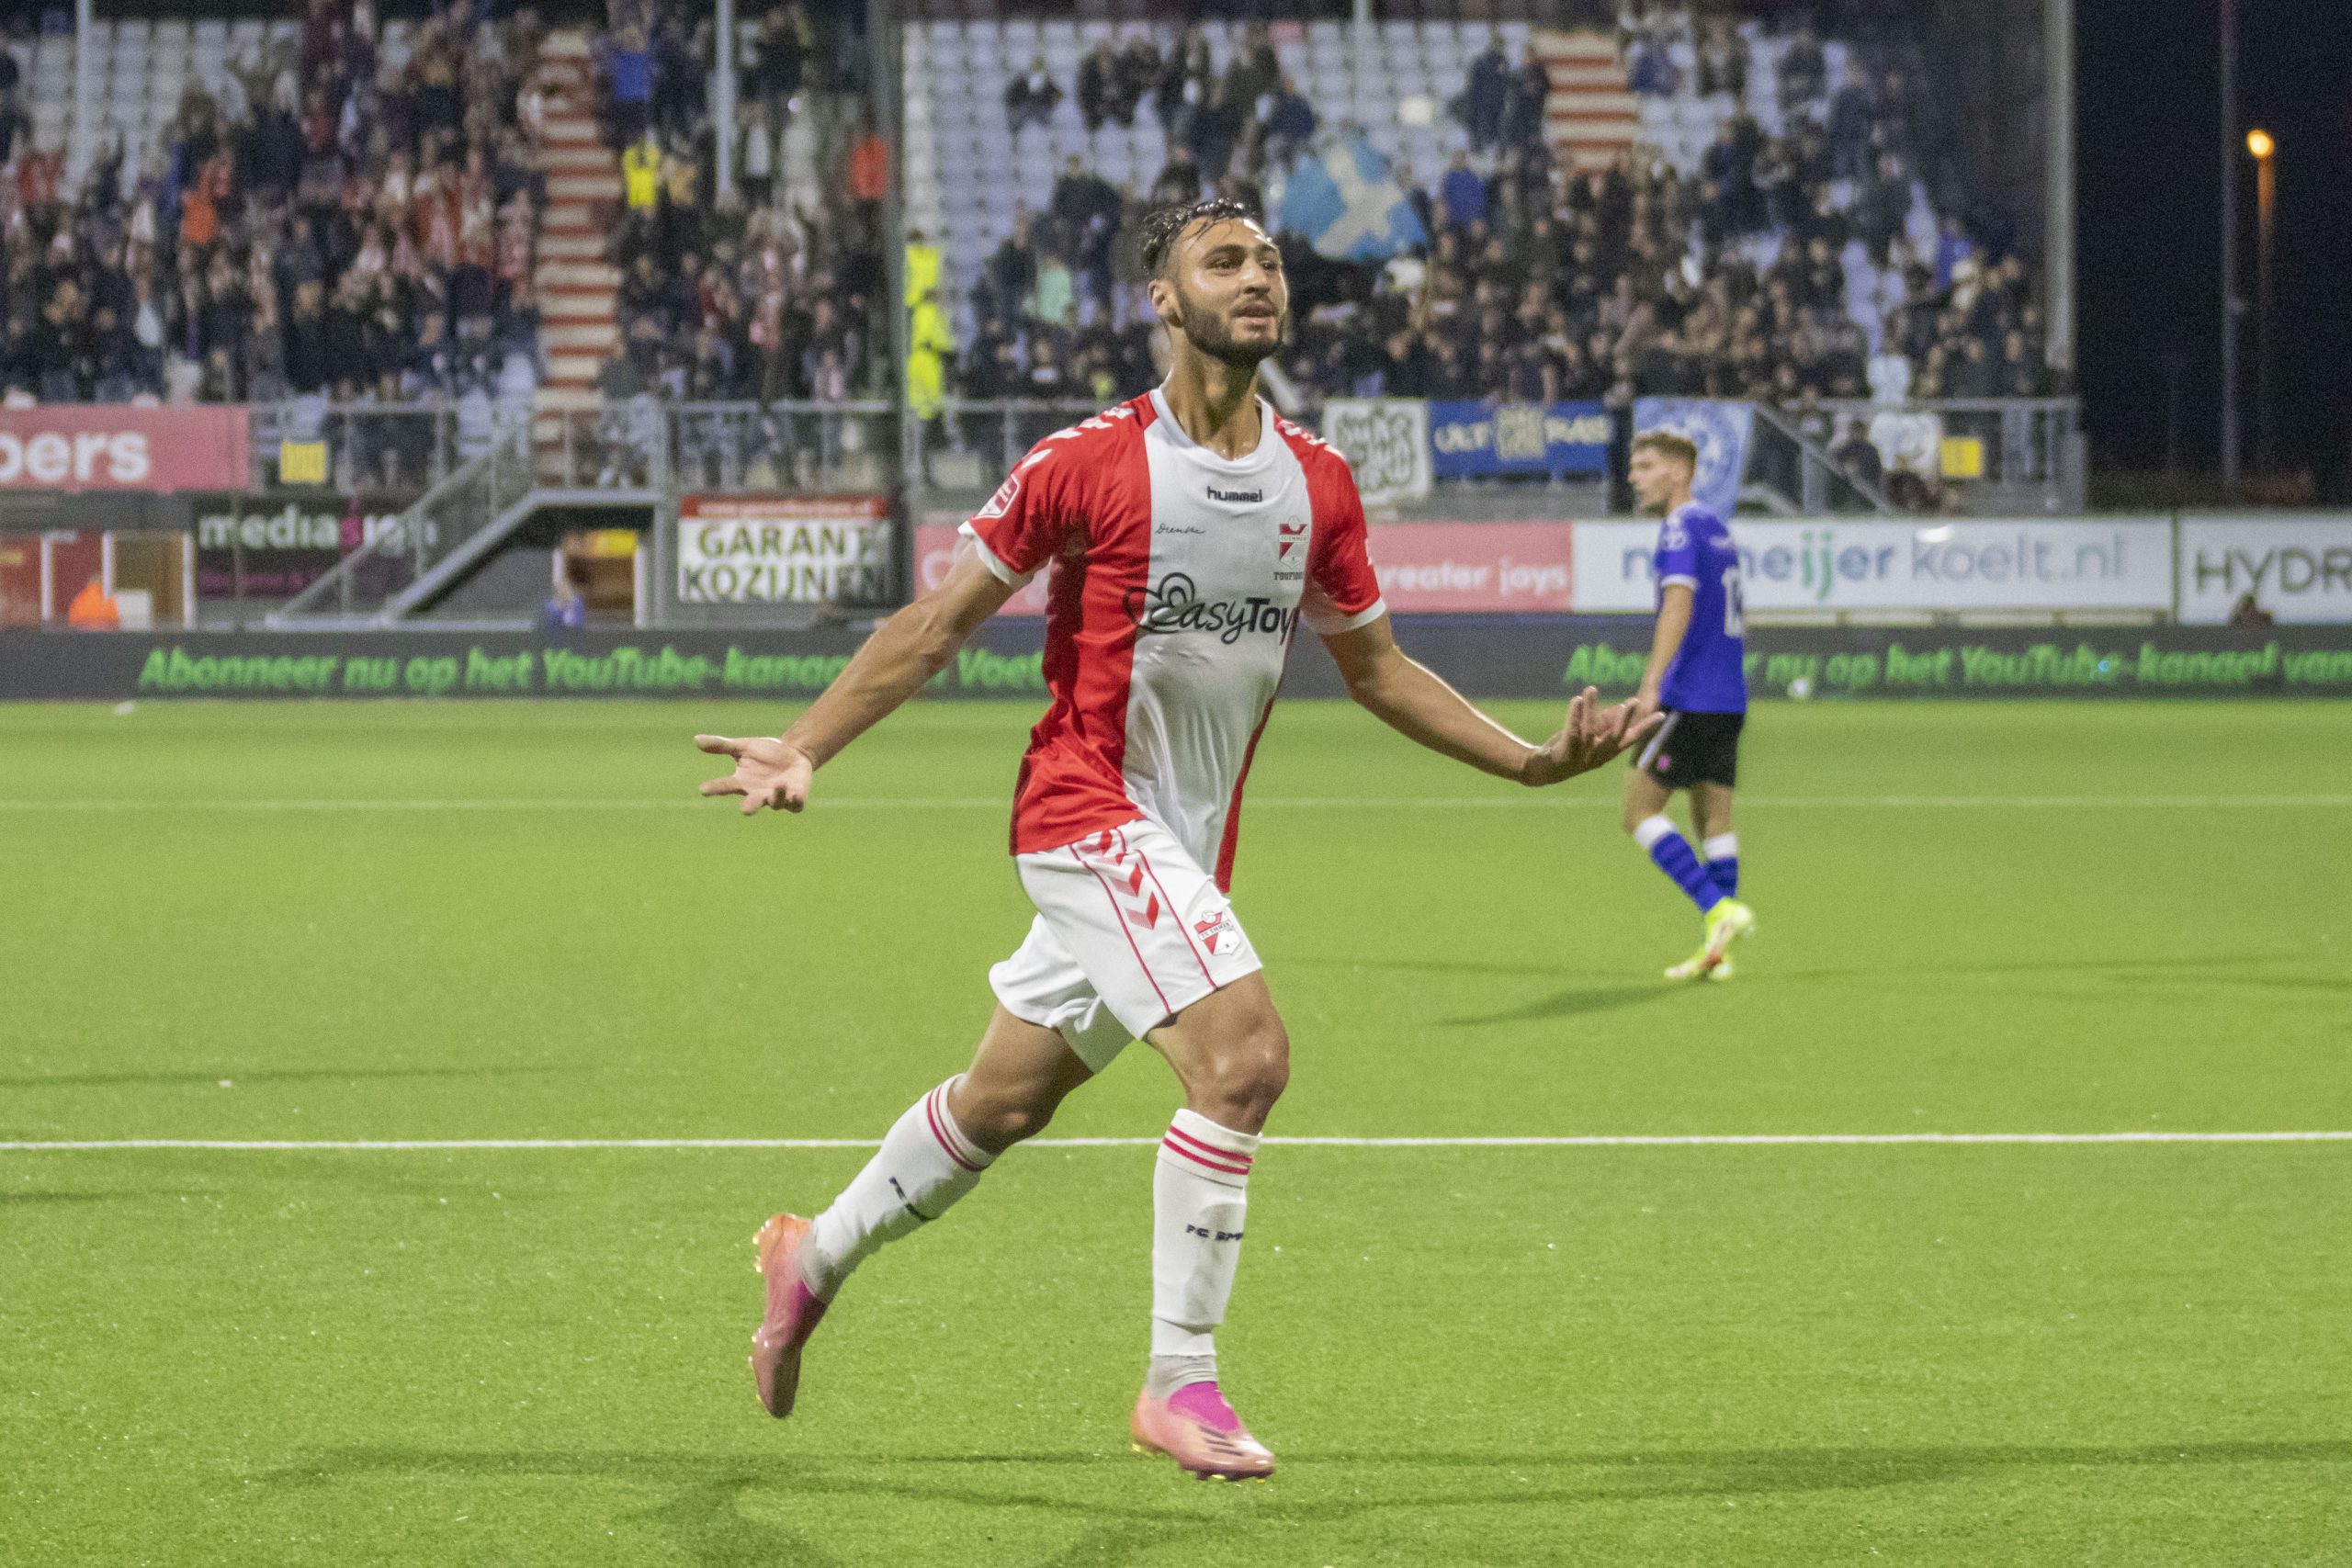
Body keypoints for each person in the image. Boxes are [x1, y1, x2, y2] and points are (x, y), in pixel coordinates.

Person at [695, 197, 1658, 1482]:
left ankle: (808, 1255)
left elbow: (1376, 668)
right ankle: (1178, 1379)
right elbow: (937, 625)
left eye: (1267, 259)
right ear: (1164, 298)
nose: (1257, 277)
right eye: (1224, 261)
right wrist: (806, 741)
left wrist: (1531, 761)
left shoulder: (1315, 482)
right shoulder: (1084, 462)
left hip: (1179, 850)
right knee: (1245, 1057)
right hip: (1084, 812)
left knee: (1005, 1097)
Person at [1621, 431, 1756, 981]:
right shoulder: (1717, 528)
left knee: (1638, 813)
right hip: (1729, 696)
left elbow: (1679, 601)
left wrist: (1652, 682)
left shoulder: (1678, 526)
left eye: (1645, 465)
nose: (1634, 476)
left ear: (1678, 473)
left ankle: (1717, 907)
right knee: (1713, 820)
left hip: (1691, 696)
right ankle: (1717, 949)